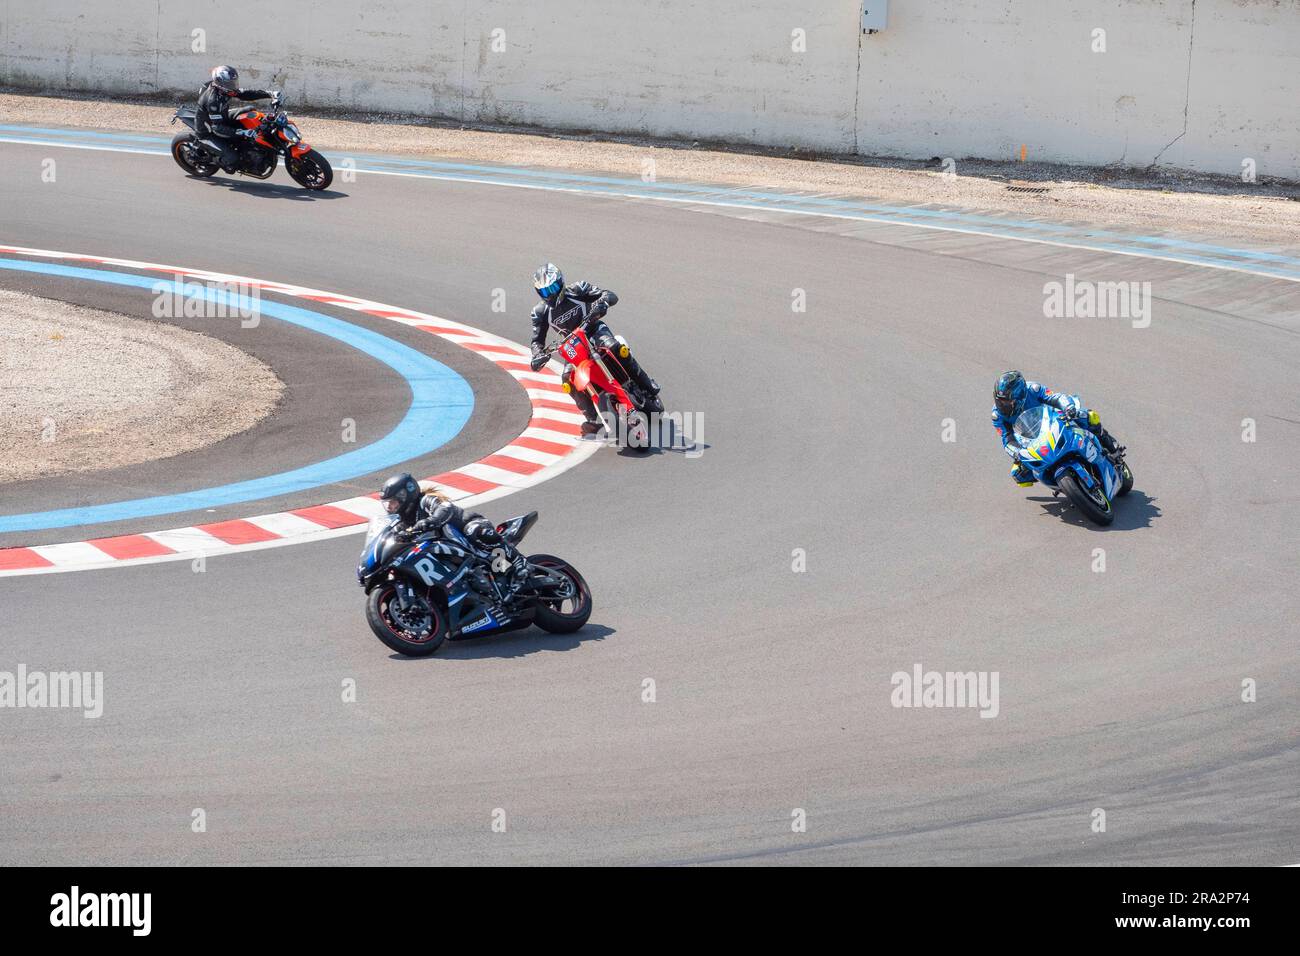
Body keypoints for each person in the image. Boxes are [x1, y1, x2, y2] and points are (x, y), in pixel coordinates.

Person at [527, 262, 661, 436]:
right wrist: (537, 354)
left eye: (552, 288)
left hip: (593, 329)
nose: (550, 294)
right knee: (568, 379)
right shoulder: (539, 312)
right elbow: (537, 341)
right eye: (545, 291)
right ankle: (592, 419)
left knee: (613, 347)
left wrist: (603, 301)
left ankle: (646, 384)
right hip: (572, 345)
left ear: (560, 283)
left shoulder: (579, 289)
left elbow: (609, 294)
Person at [378, 473, 525, 590]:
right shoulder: (402, 521)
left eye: (392, 502)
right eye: (387, 504)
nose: (390, 507)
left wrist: (428, 521)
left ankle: (521, 563)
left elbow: (445, 509)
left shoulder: (426, 501)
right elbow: (393, 535)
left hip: (467, 532)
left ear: (404, 496)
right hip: (445, 552)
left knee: (474, 530)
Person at [992, 370, 1122, 486]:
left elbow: (1056, 397)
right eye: (999, 401)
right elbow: (1007, 439)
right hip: (1030, 441)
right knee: (1018, 474)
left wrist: (1069, 408)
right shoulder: (997, 416)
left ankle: (1112, 447)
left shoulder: (1033, 389)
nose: (1001, 405)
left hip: (1052, 422)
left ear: (1019, 396)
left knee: (1088, 416)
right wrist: (1017, 452)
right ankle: (1061, 484)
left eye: (1006, 402)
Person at [195, 65, 277, 172]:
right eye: (230, 84)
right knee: (233, 159)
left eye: (234, 82)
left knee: (250, 110)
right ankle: (221, 161)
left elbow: (246, 94)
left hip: (222, 118)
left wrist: (270, 94)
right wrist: (243, 132)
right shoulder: (213, 101)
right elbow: (217, 128)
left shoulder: (224, 89)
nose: (233, 86)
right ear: (220, 83)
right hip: (208, 131)